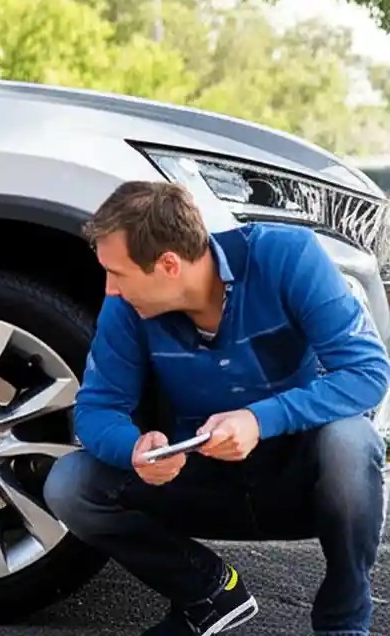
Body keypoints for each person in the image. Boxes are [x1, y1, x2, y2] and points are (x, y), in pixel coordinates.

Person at [43, 180, 390, 636]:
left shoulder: (287, 258)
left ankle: (344, 622)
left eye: (118, 273)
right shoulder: (126, 310)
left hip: (297, 481)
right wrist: (136, 450)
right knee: (69, 485)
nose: (109, 289)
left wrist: (258, 419)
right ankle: (207, 594)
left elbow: (368, 373)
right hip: (199, 480)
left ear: (168, 264)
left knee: (351, 440)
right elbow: (96, 410)